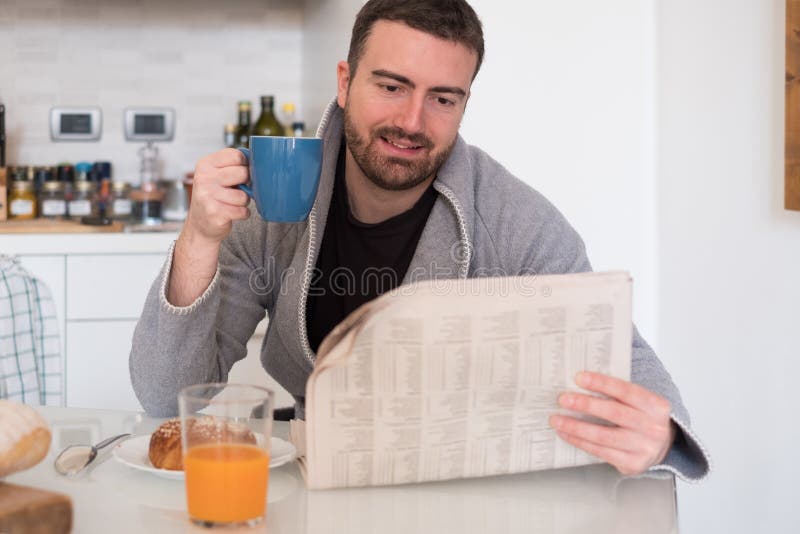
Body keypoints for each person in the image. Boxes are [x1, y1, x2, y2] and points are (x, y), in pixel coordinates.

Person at [130, 0, 710, 481]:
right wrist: (200, 236)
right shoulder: (278, 197)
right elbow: (164, 394)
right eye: (391, 85)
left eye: (442, 98)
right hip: (312, 477)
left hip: (464, 485)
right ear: (345, 81)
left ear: (464, 105)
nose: (412, 121)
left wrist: (659, 436)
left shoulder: (514, 219)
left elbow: (625, 361)